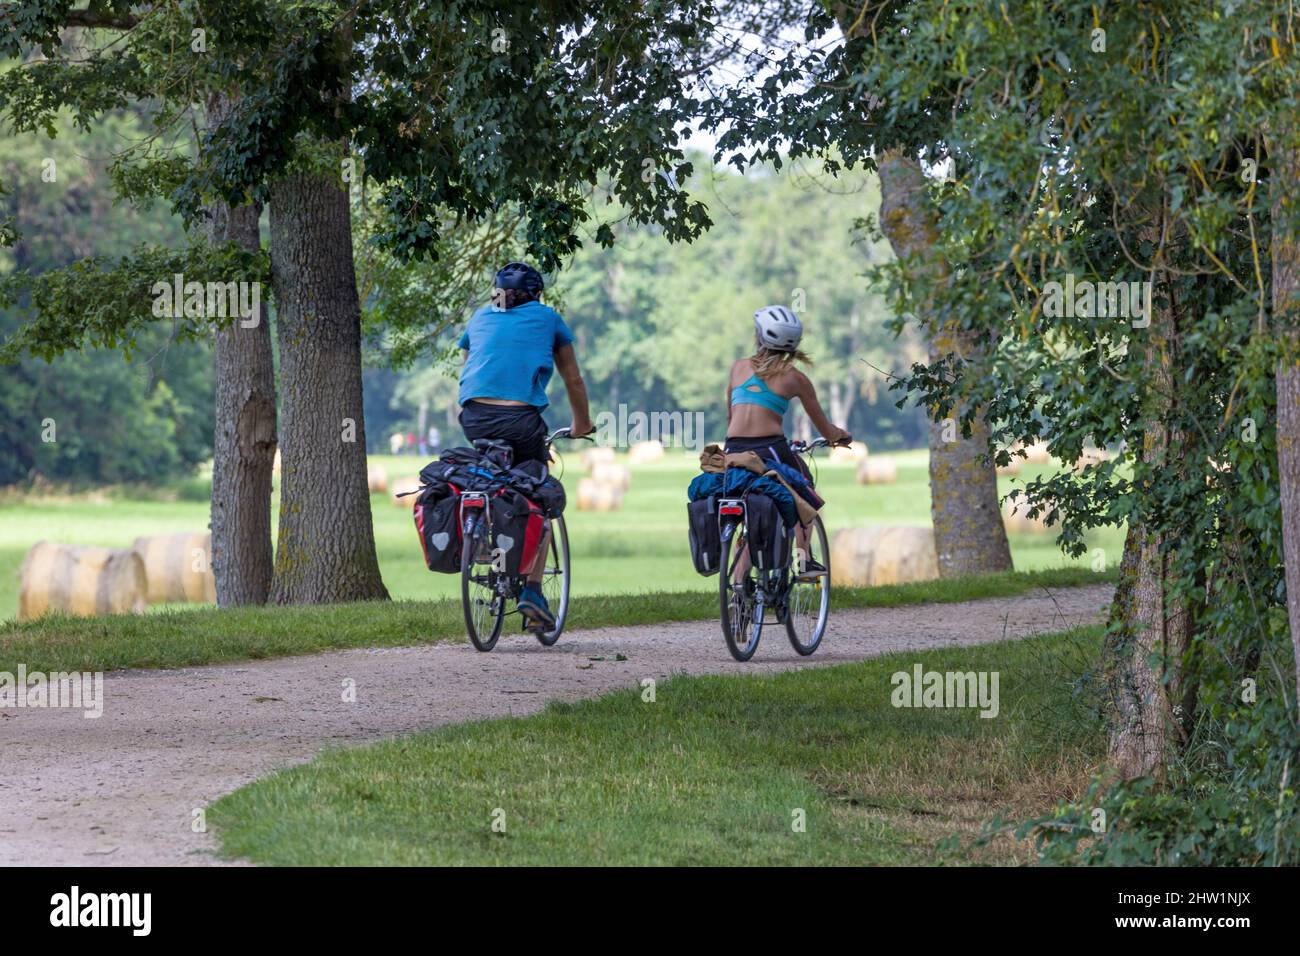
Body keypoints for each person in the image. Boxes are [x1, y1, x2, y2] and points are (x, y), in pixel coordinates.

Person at [458, 261, 594, 630]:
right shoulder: (548, 318)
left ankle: (484, 538)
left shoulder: (479, 317)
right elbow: (574, 378)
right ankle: (532, 592)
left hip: (473, 417)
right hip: (521, 421)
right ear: (537, 294)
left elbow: (468, 370)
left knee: (492, 479)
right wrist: (582, 424)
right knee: (539, 494)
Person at [726, 304, 850, 577]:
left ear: (760, 338)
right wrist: (839, 436)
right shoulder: (795, 379)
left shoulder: (738, 368)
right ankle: (803, 559)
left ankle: (737, 591)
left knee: (746, 508)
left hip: (733, 450)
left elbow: (730, 416)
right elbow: (826, 430)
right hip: (769, 448)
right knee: (803, 489)